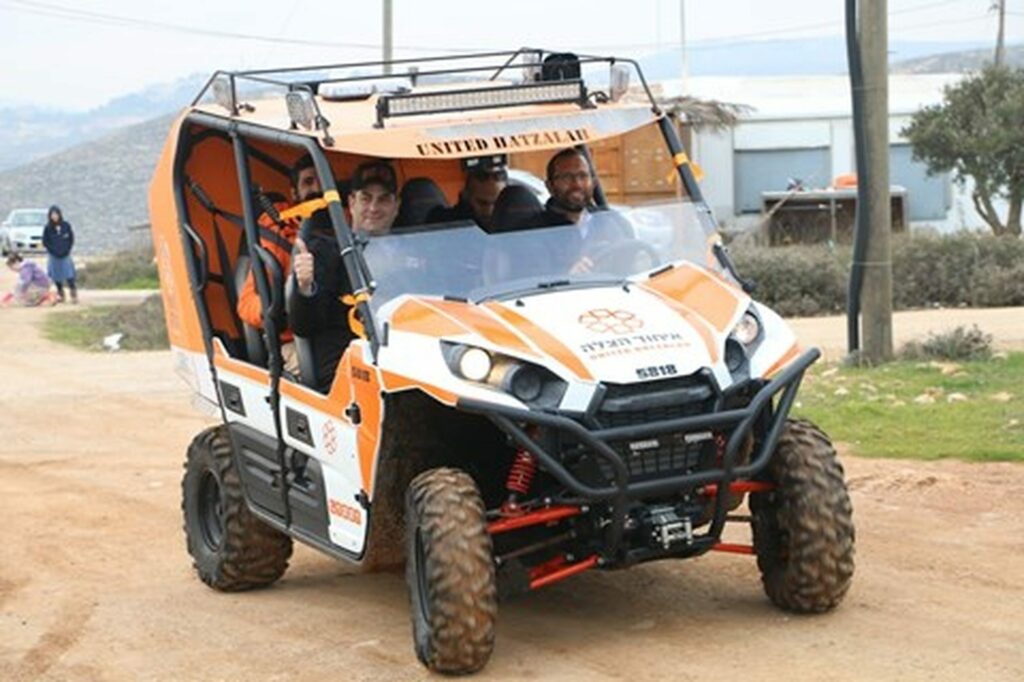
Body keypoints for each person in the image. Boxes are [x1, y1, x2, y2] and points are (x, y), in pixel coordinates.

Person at [288, 160, 400, 392]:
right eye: (366, 198)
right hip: (347, 359)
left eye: (383, 199)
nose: (373, 207)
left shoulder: (415, 251)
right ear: (351, 203)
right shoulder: (327, 251)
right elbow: (304, 325)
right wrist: (305, 286)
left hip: (404, 351)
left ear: (396, 205)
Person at [237, 153, 322, 375]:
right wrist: (271, 311)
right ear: (295, 193)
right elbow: (246, 303)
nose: (317, 188)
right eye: (308, 182)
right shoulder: (278, 237)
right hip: (296, 341)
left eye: (322, 180)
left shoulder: (351, 225)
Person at [540, 148, 632, 274]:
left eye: (583, 176)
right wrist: (567, 277)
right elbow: (532, 283)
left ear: (593, 182)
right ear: (549, 186)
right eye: (567, 177)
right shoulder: (535, 232)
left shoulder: (611, 220)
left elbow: (634, 262)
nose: (577, 184)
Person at [427, 155, 508, 231]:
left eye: (496, 203)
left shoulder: (515, 227)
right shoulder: (444, 224)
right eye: (482, 203)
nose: (489, 211)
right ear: (466, 195)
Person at [42, 205, 77, 303]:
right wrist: (53, 251)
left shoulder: (66, 225)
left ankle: (73, 293)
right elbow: (45, 242)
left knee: (69, 274)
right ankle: (60, 293)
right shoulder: (48, 228)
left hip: (65, 254)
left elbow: (71, 239)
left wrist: (67, 249)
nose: (54, 217)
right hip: (54, 255)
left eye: (56, 214)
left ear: (59, 214)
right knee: (56, 276)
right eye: (52, 215)